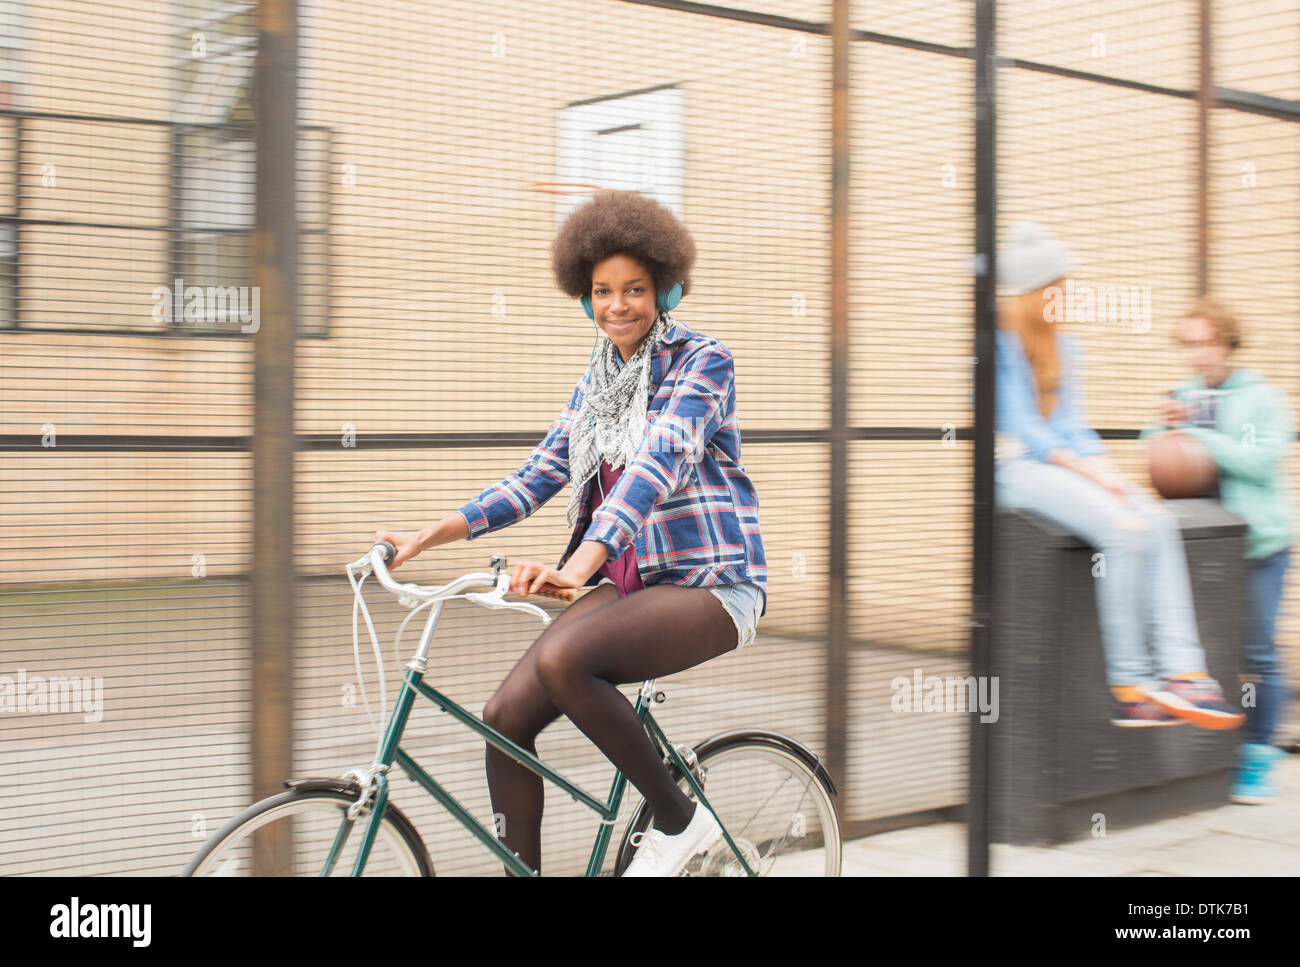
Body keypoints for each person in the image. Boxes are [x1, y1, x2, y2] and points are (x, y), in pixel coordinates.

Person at [374, 189, 768, 876]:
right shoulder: (596, 383)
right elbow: (535, 476)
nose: (619, 305)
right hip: (626, 585)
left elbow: (658, 465)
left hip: (710, 585)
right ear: (585, 299)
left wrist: (582, 562)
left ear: (666, 289)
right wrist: (425, 536)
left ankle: (682, 821)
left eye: (636, 288)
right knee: (504, 715)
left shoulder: (704, 363)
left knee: (564, 662)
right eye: (603, 291)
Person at [993, 222, 1244, 730]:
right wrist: (1090, 473)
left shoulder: (1066, 348)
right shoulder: (999, 344)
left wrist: (1111, 475)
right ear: (1035, 292)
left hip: (1060, 460)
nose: (1067, 294)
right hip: (1014, 469)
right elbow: (1026, 429)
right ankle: (1130, 687)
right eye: (1058, 286)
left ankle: (1185, 674)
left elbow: (1074, 429)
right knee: (1123, 530)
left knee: (1154, 518)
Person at [1137, 297, 1294, 802]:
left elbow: (1261, 460)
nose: (1198, 353)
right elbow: (1154, 449)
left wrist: (1203, 437)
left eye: (1207, 342)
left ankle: (1258, 756)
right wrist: (1166, 427)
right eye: (1190, 344)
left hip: (1259, 543)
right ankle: (1215, 748)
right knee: (1210, 649)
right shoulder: (1182, 392)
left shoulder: (1263, 397)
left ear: (1227, 342)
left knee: (1257, 652)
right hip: (1204, 547)